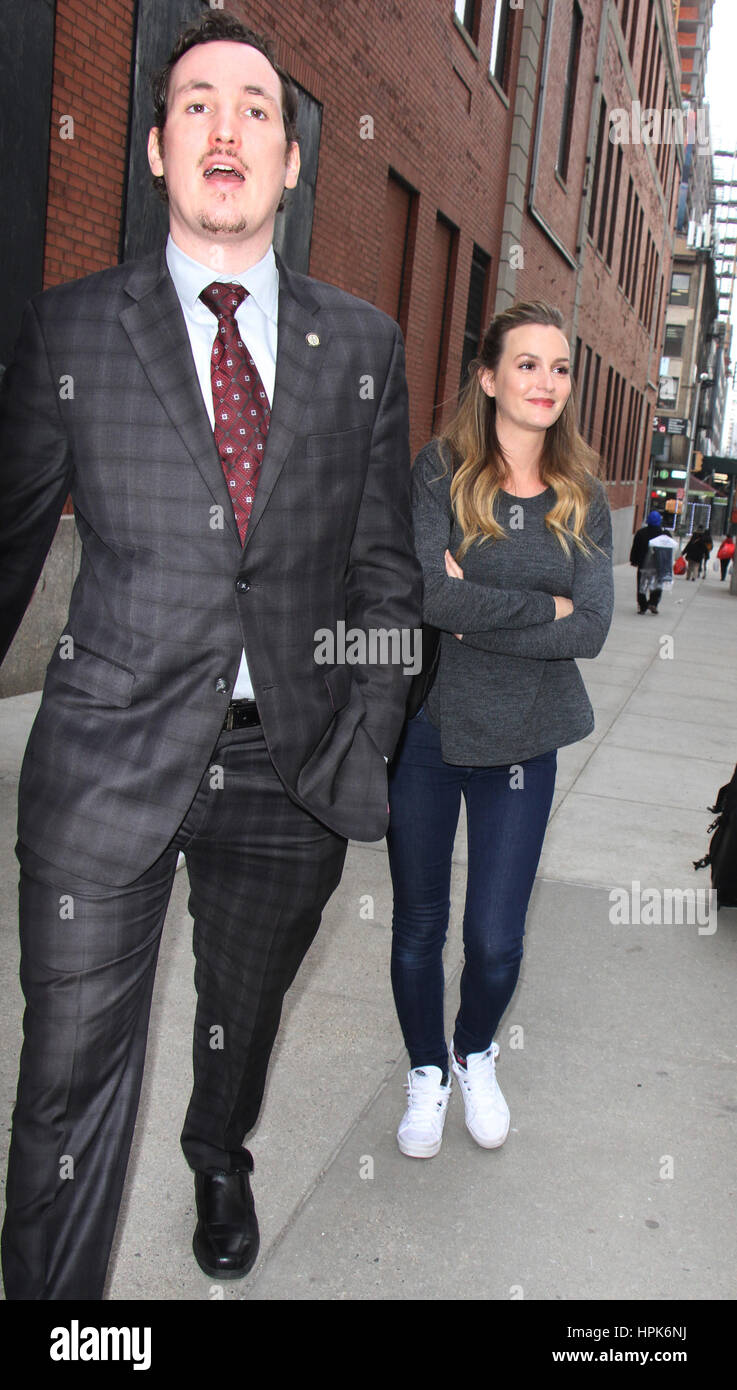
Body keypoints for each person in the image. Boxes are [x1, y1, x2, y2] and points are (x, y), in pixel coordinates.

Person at [0, 12, 421, 1299]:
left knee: (239, 1026)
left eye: (253, 106)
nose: (226, 126)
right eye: (195, 104)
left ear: (293, 162)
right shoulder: (73, 330)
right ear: (155, 148)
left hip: (285, 773)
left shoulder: (359, 346)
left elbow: (383, 570)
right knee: (65, 1082)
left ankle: (219, 1149)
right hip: (105, 761)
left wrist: (364, 732)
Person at [385, 302, 613, 1159]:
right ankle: (425, 1072)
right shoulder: (439, 470)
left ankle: (472, 1049)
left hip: (526, 739)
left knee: (495, 939)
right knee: (417, 926)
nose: (545, 383)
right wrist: (536, 607)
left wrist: (471, 609)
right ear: (487, 378)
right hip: (431, 735)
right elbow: (424, 596)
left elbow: (589, 628)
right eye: (527, 365)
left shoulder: (583, 495)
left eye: (558, 368)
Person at [630, 509, 671, 613]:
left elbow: (635, 548)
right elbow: (668, 551)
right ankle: (653, 603)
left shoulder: (641, 533)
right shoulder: (664, 535)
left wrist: (633, 560)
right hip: (658, 566)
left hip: (643, 564)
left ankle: (642, 606)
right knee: (657, 585)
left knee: (642, 585)